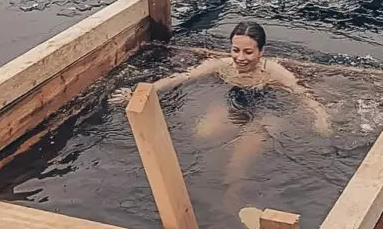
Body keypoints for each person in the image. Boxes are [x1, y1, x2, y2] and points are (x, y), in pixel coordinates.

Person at [109, 20, 332, 210]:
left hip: (267, 113)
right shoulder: (223, 66)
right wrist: (141, 92)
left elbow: (303, 95)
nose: (240, 57)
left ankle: (232, 197)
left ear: (261, 52)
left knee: (237, 162)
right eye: (235, 50)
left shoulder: (275, 72)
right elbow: (182, 77)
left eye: (248, 52)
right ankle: (206, 178)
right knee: (203, 134)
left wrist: (320, 118)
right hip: (234, 107)